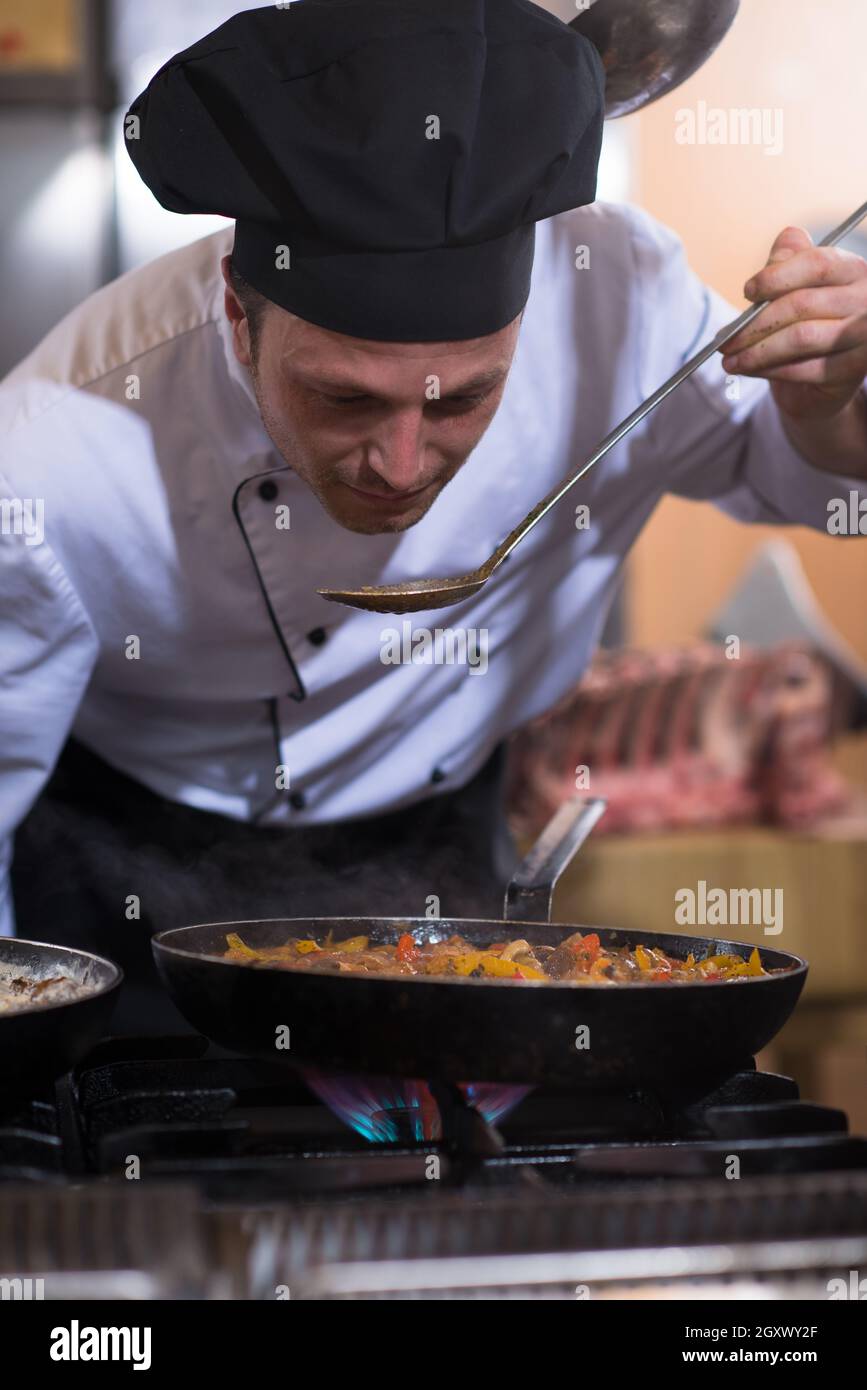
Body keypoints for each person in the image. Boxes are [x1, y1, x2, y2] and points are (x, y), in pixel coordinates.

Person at [1, 0, 865, 1032]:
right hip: (121, 864)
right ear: (239, 314)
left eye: (460, 400)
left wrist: (830, 406)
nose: (402, 464)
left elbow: (805, 481)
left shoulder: (620, 305)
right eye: (345, 398)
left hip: (439, 847)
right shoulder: (55, 458)